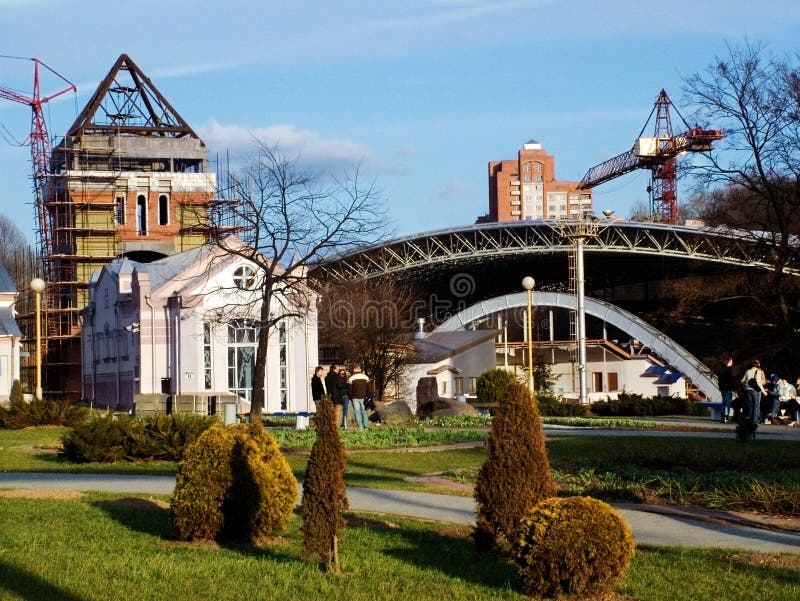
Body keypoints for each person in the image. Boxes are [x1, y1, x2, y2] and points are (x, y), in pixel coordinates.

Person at [347, 365, 372, 430]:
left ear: (354, 370)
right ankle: (366, 427)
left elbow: (349, 390)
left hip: (355, 398)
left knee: (357, 412)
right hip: (364, 397)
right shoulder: (366, 377)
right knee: (364, 412)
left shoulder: (351, 378)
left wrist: (351, 398)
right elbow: (369, 389)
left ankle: (360, 427)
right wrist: (368, 397)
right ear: (360, 369)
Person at [717, 357, 735, 423]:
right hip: (728, 388)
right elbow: (730, 380)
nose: (732, 363)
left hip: (722, 388)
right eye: (731, 361)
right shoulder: (729, 370)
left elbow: (719, 379)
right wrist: (733, 387)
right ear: (729, 362)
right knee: (728, 403)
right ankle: (726, 417)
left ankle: (722, 418)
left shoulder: (720, 369)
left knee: (723, 402)